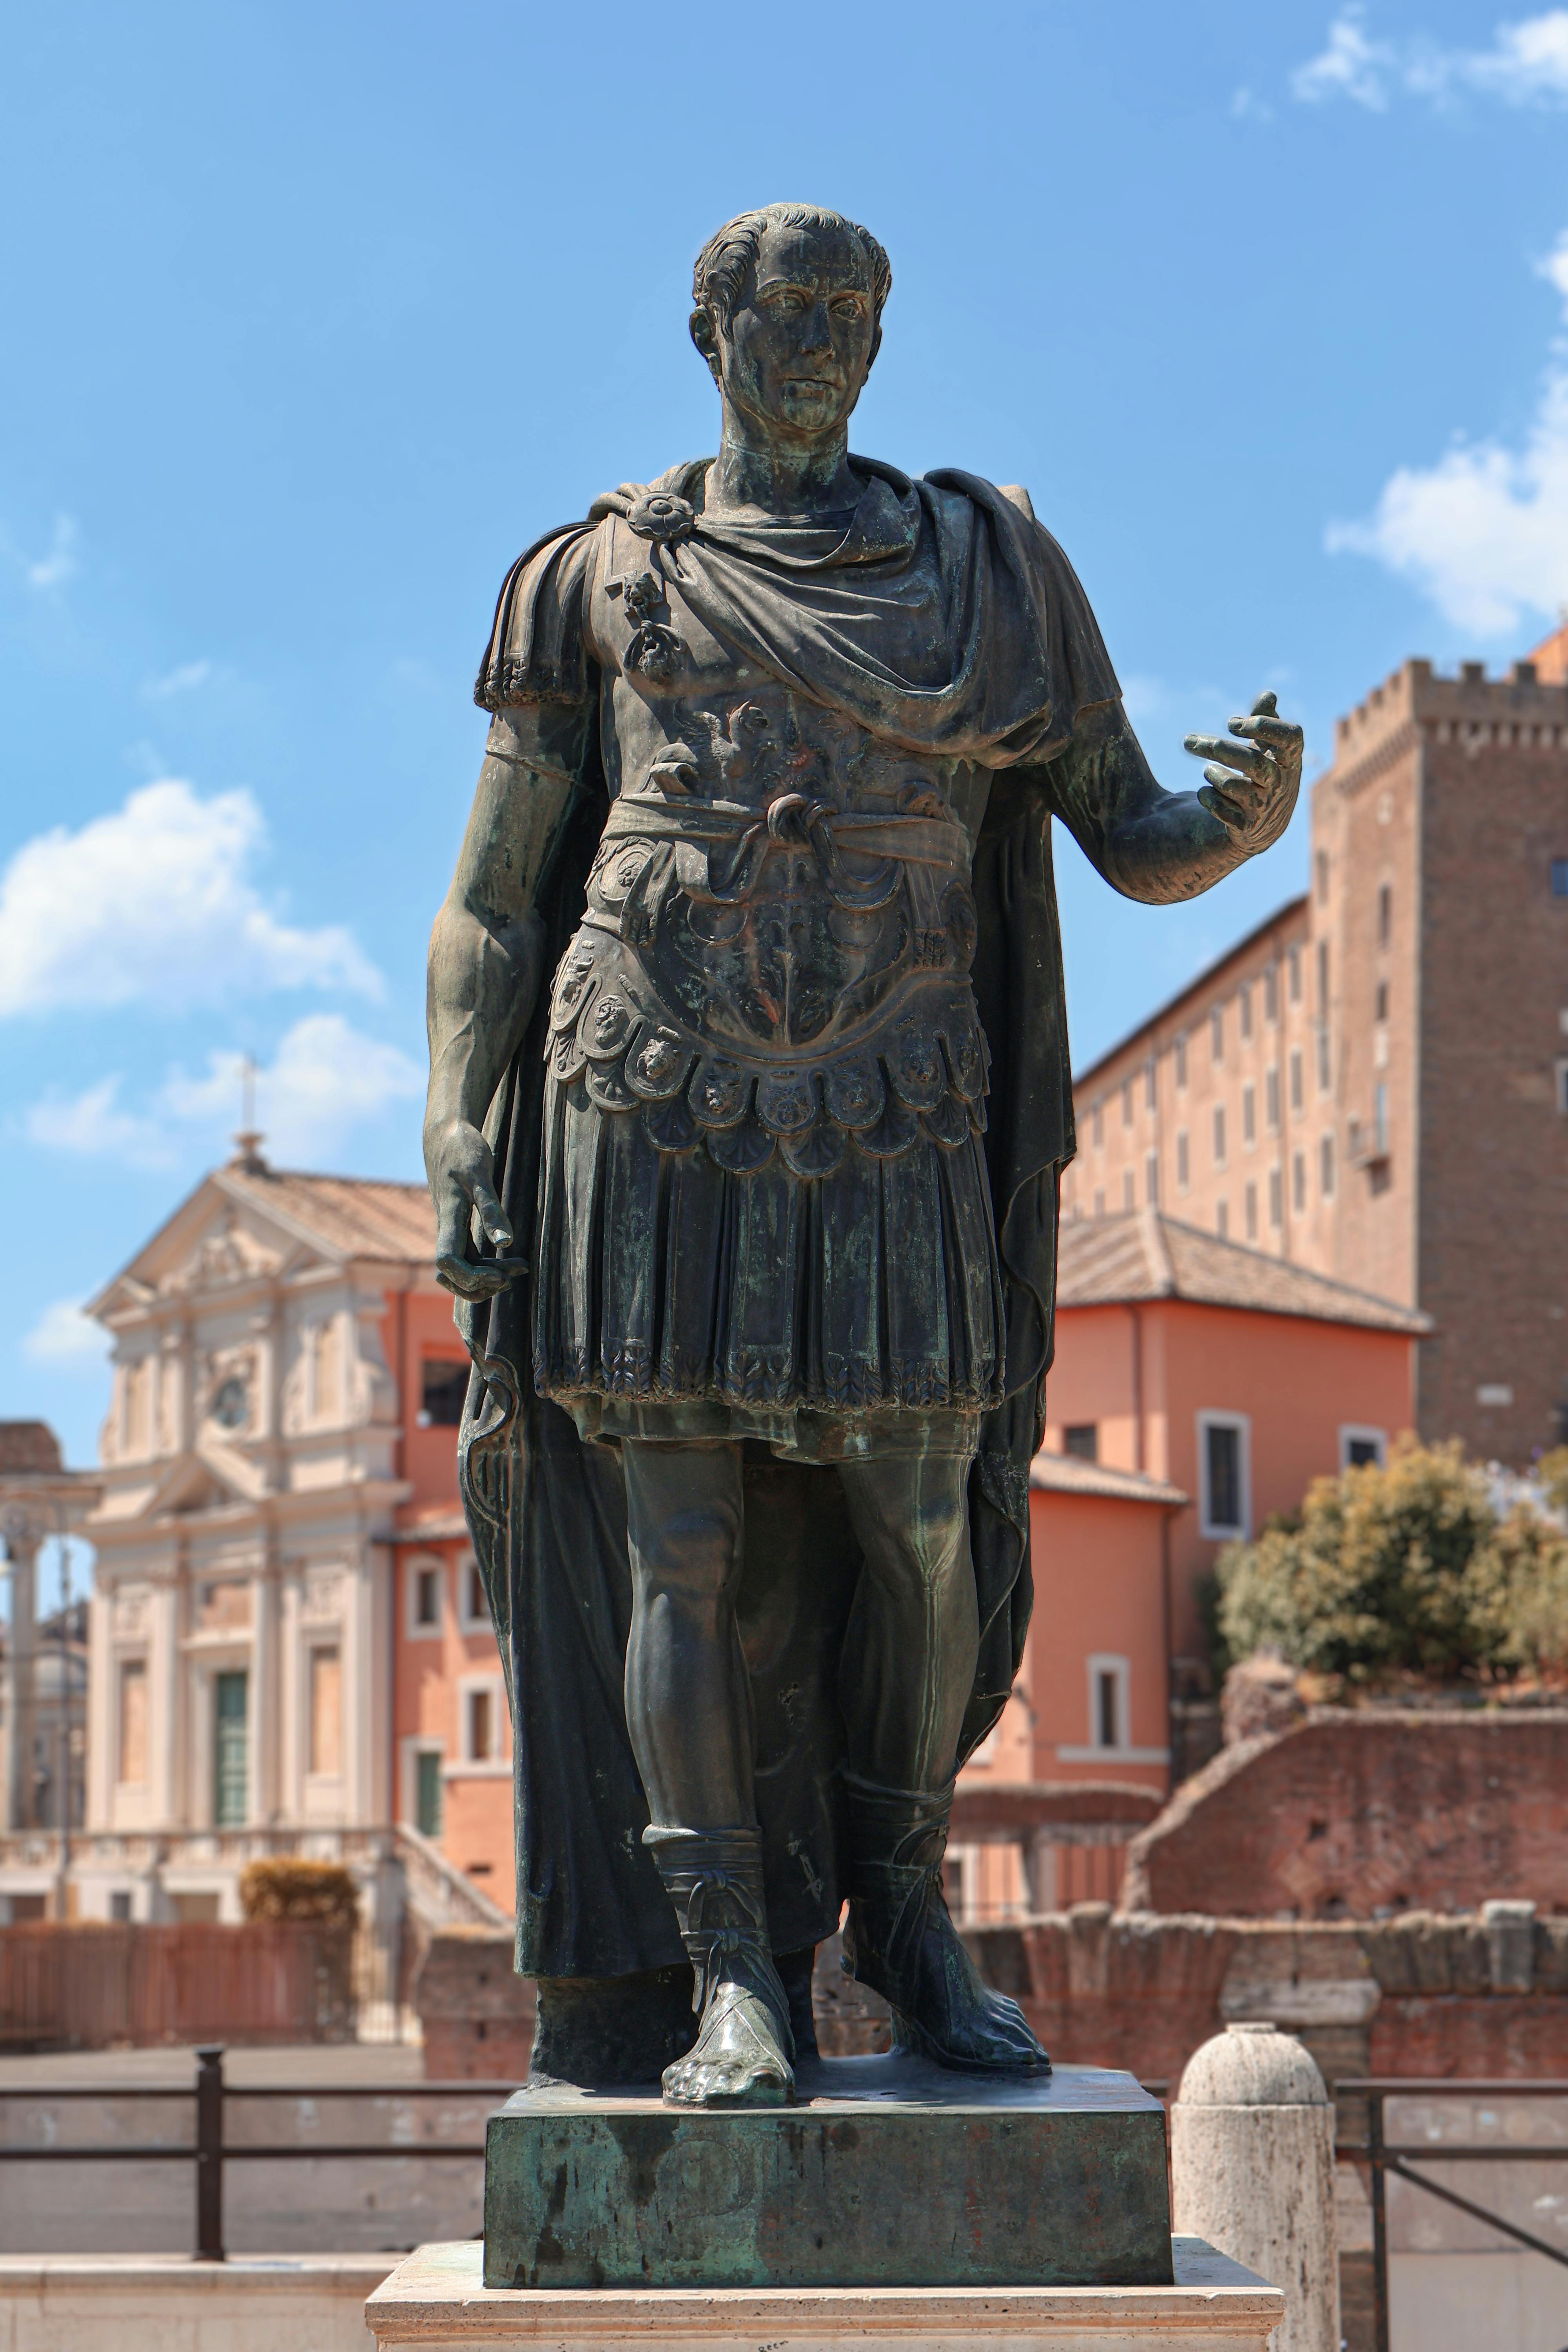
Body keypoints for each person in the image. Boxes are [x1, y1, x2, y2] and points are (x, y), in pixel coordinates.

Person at [424, 201, 1301, 2107]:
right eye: (790, 308)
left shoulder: (989, 573)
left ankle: (901, 1912)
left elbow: (1128, 831)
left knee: (918, 1530)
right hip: (640, 1092)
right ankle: (727, 1973)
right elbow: (495, 902)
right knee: (679, 1549)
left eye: (855, 311)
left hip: (902, 1093)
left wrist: (1230, 830)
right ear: (708, 330)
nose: (825, 338)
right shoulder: (588, 578)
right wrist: (455, 1120)